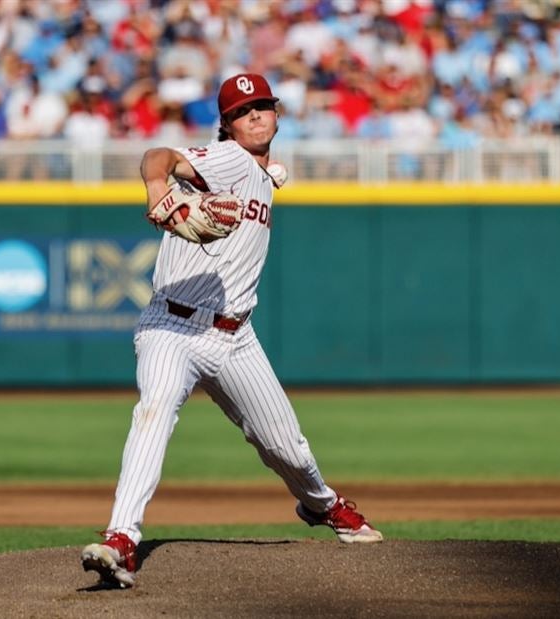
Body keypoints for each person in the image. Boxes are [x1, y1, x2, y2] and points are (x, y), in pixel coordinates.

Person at [80, 74, 382, 589]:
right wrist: (158, 185)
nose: (256, 115)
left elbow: (260, 176)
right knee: (153, 412)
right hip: (171, 328)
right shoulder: (230, 158)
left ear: (278, 113)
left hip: (235, 336)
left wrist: (266, 175)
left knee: (287, 448)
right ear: (227, 125)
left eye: (263, 105)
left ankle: (323, 504)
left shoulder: (263, 173)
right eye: (243, 111)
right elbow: (161, 154)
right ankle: (121, 539)